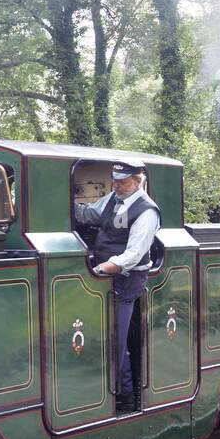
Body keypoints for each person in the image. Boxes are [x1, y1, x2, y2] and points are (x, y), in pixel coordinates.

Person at [72, 161, 160, 412]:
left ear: (138, 181)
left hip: (126, 280)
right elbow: (90, 214)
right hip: (103, 277)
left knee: (115, 337)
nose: (116, 185)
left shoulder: (146, 212)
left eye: (121, 181)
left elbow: (132, 256)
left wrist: (97, 270)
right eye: (115, 180)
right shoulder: (113, 198)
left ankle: (126, 394)